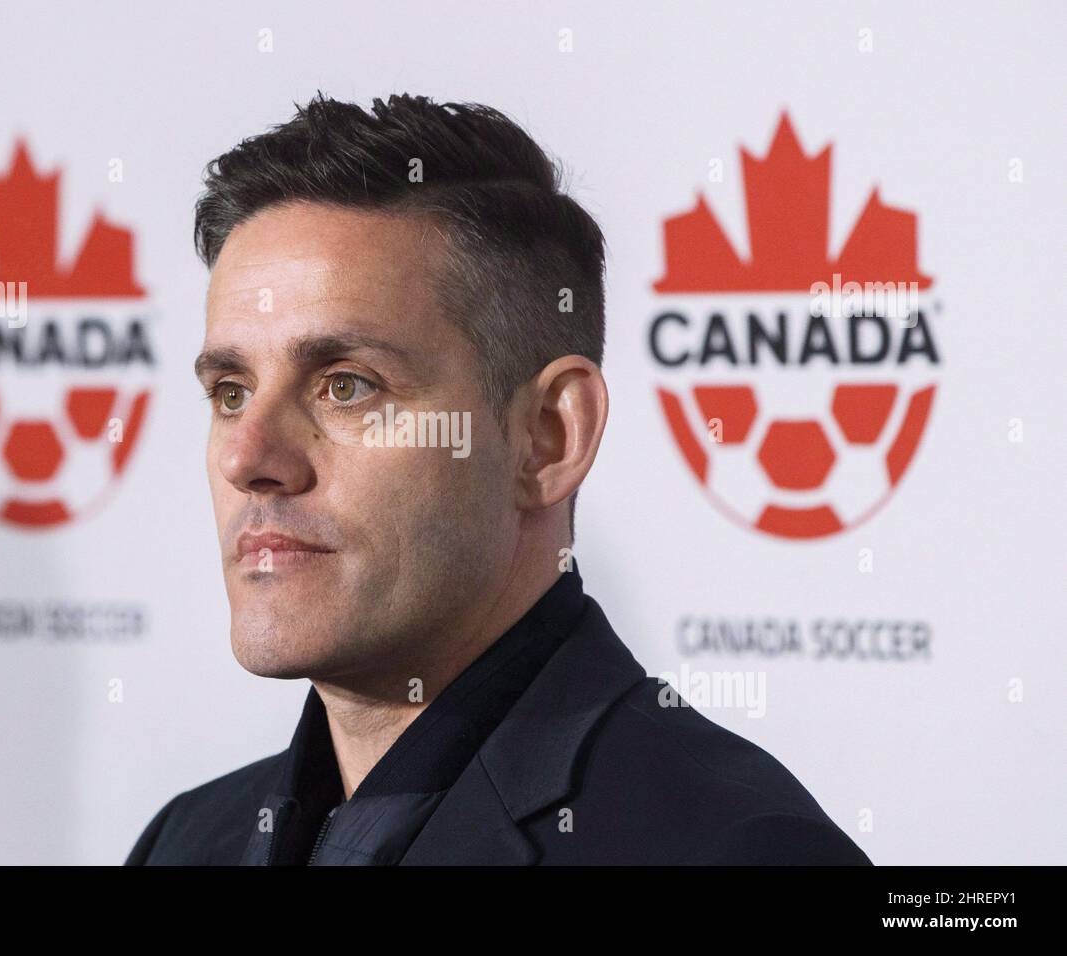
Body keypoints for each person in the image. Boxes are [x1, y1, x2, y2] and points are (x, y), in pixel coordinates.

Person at [127, 94, 870, 865]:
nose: (247, 458)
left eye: (346, 386)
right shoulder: (185, 842)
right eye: (231, 392)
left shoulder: (731, 850)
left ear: (548, 439)